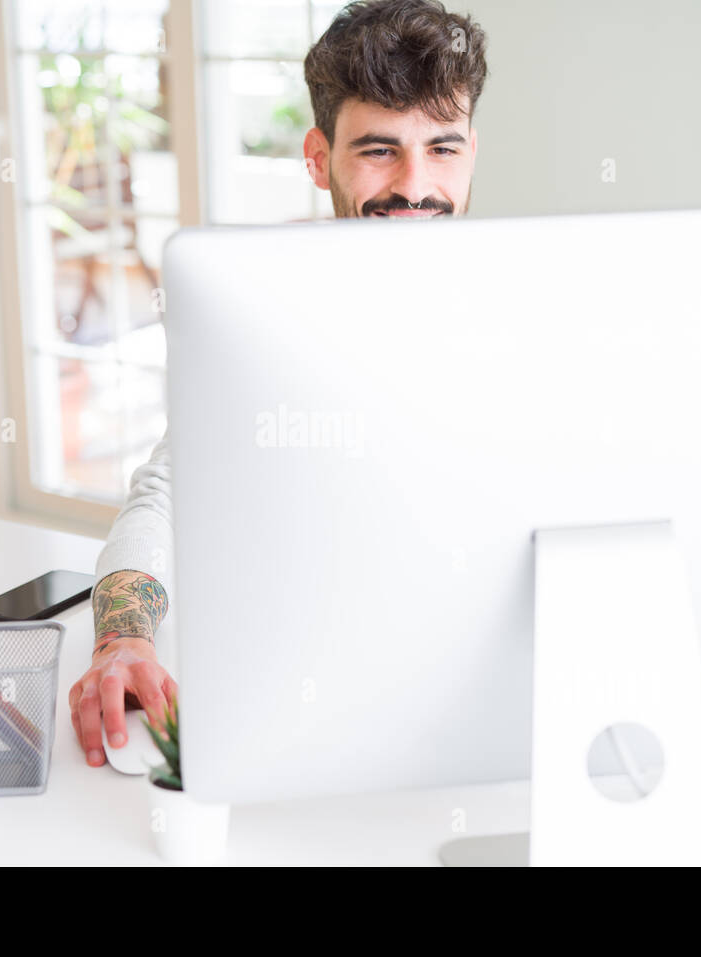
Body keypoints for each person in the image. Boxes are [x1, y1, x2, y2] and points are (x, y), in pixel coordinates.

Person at [68, 0, 489, 767]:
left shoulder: (528, 306)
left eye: (443, 148)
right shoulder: (258, 306)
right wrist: (122, 636)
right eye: (379, 151)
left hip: (476, 689)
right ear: (316, 155)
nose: (416, 186)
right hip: (304, 698)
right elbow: (167, 493)